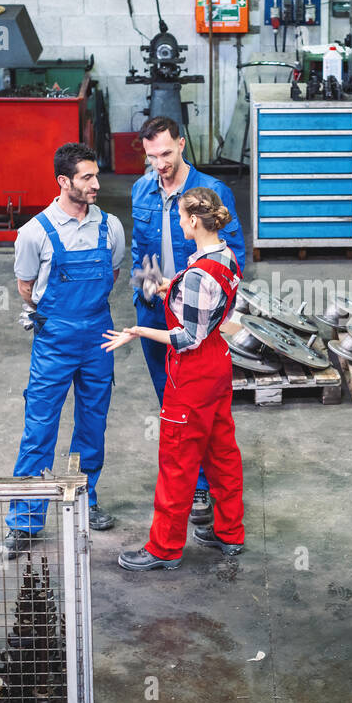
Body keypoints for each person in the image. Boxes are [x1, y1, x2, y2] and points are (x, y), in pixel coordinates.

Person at [104, 186, 246, 570]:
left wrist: (138, 331)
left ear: (194, 221)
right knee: (222, 454)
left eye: (182, 217)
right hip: (219, 364)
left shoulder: (200, 273)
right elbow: (212, 306)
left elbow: (186, 338)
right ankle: (230, 533)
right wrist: (172, 287)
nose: (179, 222)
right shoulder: (225, 257)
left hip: (193, 373)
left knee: (177, 462)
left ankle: (164, 549)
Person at [1, 142, 126, 559]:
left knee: (93, 422)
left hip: (98, 336)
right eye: (87, 177)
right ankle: (25, 520)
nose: (96, 184)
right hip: (54, 339)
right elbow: (26, 288)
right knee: (40, 427)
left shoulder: (109, 227)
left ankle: (85, 501)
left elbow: (114, 271)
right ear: (63, 182)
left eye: (96, 175)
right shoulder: (34, 232)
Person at [130, 115, 245, 528]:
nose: (159, 164)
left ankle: (195, 488)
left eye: (165, 153)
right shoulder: (141, 191)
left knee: (195, 413)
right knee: (170, 404)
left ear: (181, 144)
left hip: (194, 319)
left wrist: (220, 318)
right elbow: (138, 250)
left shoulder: (210, 192)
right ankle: (197, 489)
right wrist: (142, 288)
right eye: (151, 157)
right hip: (156, 307)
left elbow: (235, 257)